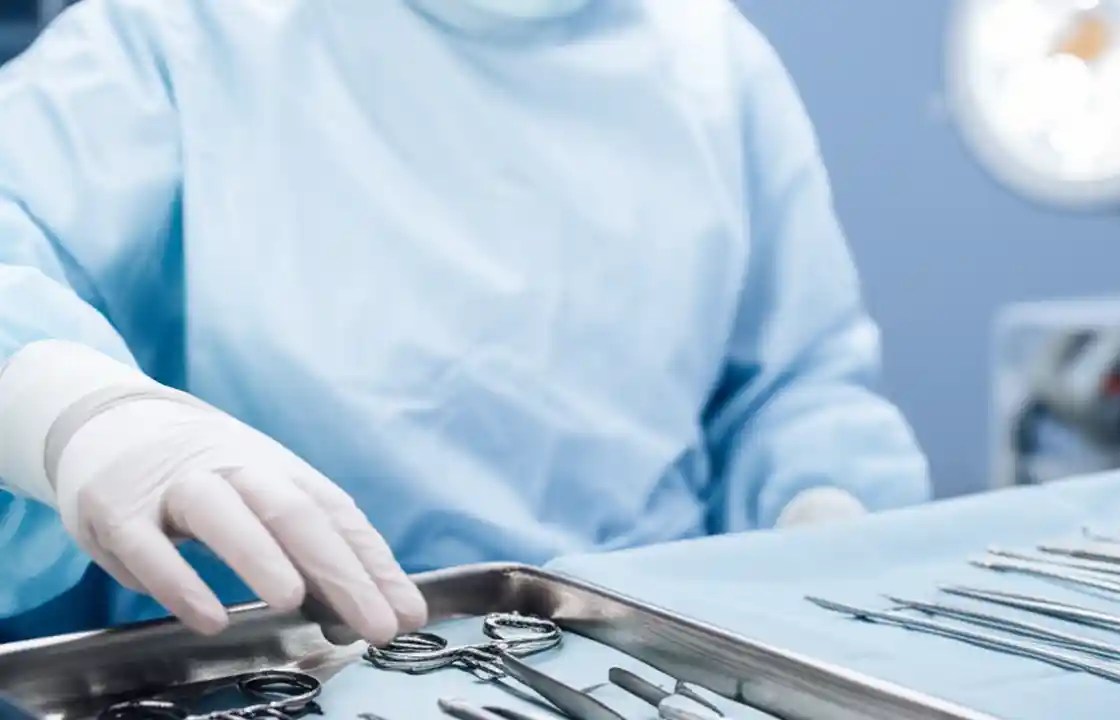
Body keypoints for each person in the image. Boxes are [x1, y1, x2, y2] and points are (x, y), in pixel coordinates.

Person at [0, 0, 929, 643]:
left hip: (654, 660)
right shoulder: (183, 33)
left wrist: (823, 510)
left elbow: (790, 383)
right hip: (277, 661)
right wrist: (64, 406)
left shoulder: (710, 57)